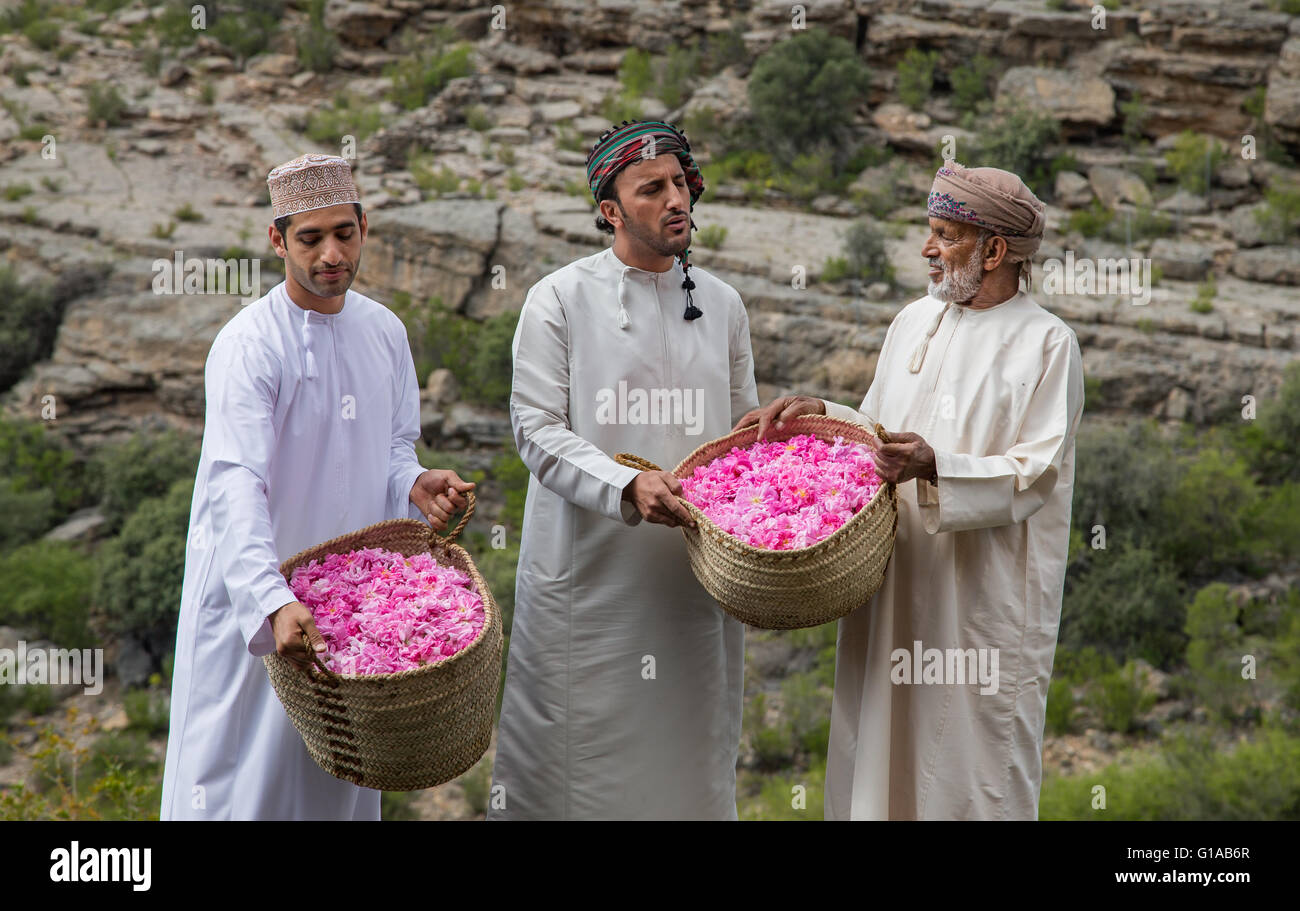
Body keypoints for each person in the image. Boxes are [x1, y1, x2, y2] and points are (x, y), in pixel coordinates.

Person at [736, 160, 1085, 820]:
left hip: (977, 605)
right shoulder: (913, 321)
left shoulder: (1047, 345)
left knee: (967, 766)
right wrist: (822, 413)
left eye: (943, 234)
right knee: (878, 757)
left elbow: (1034, 474)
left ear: (995, 250)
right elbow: (877, 433)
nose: (927, 249)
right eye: (928, 231)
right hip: (893, 584)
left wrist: (938, 467)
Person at [160, 153, 474, 820]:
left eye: (345, 233)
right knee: (241, 791)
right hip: (260, 600)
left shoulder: (384, 332)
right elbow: (234, 482)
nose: (332, 253)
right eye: (310, 237)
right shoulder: (250, 344)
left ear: (365, 225)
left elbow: (391, 448)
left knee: (338, 782)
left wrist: (416, 482)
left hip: (348, 610)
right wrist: (271, 600)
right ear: (277, 239)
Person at [489, 121, 759, 819]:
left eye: (680, 183)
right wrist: (626, 485)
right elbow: (536, 429)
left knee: (690, 773)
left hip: (691, 584)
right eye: (652, 189)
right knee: (572, 777)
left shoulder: (723, 305)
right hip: (590, 587)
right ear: (610, 210)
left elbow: (740, 446)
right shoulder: (559, 299)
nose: (676, 199)